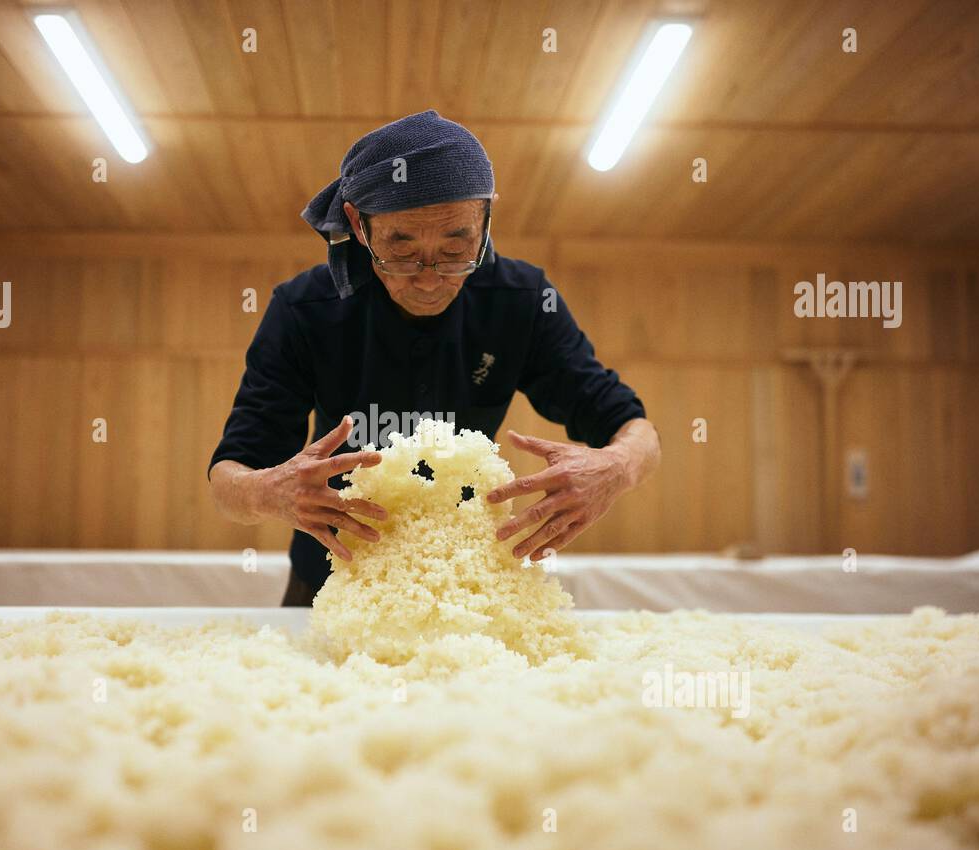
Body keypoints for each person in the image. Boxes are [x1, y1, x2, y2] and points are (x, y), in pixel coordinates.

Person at [208, 110, 661, 607]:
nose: (428, 278)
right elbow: (230, 476)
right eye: (400, 251)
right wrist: (266, 492)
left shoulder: (522, 300)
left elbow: (633, 429)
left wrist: (616, 468)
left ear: (486, 220)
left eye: (455, 248)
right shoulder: (304, 309)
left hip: (465, 582)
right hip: (332, 580)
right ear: (359, 225)